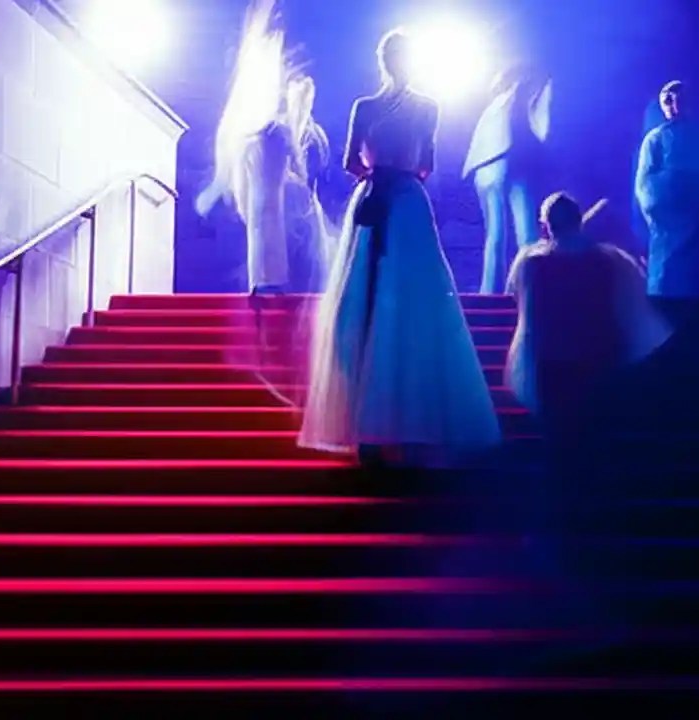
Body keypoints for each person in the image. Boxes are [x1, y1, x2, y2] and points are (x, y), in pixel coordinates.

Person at [298, 29, 502, 467]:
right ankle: (393, 424)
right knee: (383, 300)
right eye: (394, 55)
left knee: (394, 301)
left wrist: (380, 173)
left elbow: (358, 161)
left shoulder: (379, 107)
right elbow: (422, 163)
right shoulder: (408, 107)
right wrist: (393, 175)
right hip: (396, 198)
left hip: (387, 197)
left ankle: (388, 425)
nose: (395, 62)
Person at [505, 192, 672, 445]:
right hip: (599, 361)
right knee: (598, 443)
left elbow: (524, 314)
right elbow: (631, 310)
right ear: (579, 219)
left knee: (559, 444)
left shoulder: (532, 264)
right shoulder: (611, 260)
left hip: (553, 365)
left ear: (545, 225)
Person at [195, 0, 333, 295]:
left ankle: (270, 280)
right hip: (264, 155)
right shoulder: (261, 74)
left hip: (267, 159)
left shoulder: (271, 77)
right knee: (266, 221)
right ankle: (267, 280)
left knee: (270, 222)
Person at [463, 64, 553, 294]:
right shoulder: (521, 92)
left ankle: (489, 291)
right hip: (509, 163)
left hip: (482, 171)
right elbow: (541, 127)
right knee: (527, 236)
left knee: (494, 235)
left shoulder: (492, 107)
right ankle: (531, 290)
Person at [635, 80, 699, 296]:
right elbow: (644, 185)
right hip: (666, 232)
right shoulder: (654, 140)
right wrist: (675, 185)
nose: (674, 104)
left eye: (679, 98)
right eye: (668, 100)